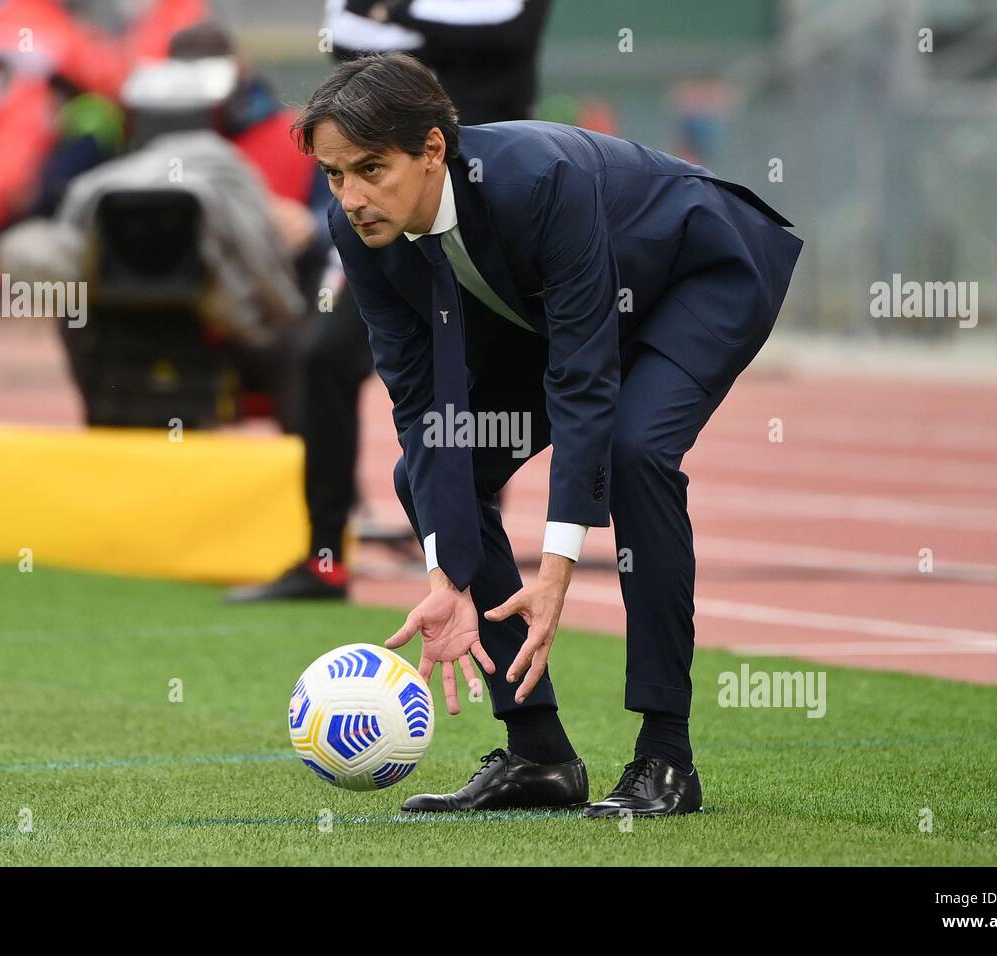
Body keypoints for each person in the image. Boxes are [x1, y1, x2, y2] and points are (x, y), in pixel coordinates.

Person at [296, 54, 802, 817]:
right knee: (426, 476)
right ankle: (538, 755)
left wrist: (559, 564)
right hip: (557, 308)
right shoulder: (356, 227)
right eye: (335, 175)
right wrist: (447, 578)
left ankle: (666, 757)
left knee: (635, 453)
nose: (354, 197)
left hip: (701, 273)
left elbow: (584, 378)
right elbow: (420, 406)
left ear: (433, 148)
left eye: (371, 168)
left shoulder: (537, 179)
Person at [227, 1, 553, 603]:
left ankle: (472, 561)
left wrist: (403, 12)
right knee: (321, 355)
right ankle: (325, 558)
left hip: (485, 214)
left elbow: (507, 30)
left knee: (481, 385)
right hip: (390, 212)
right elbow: (347, 48)